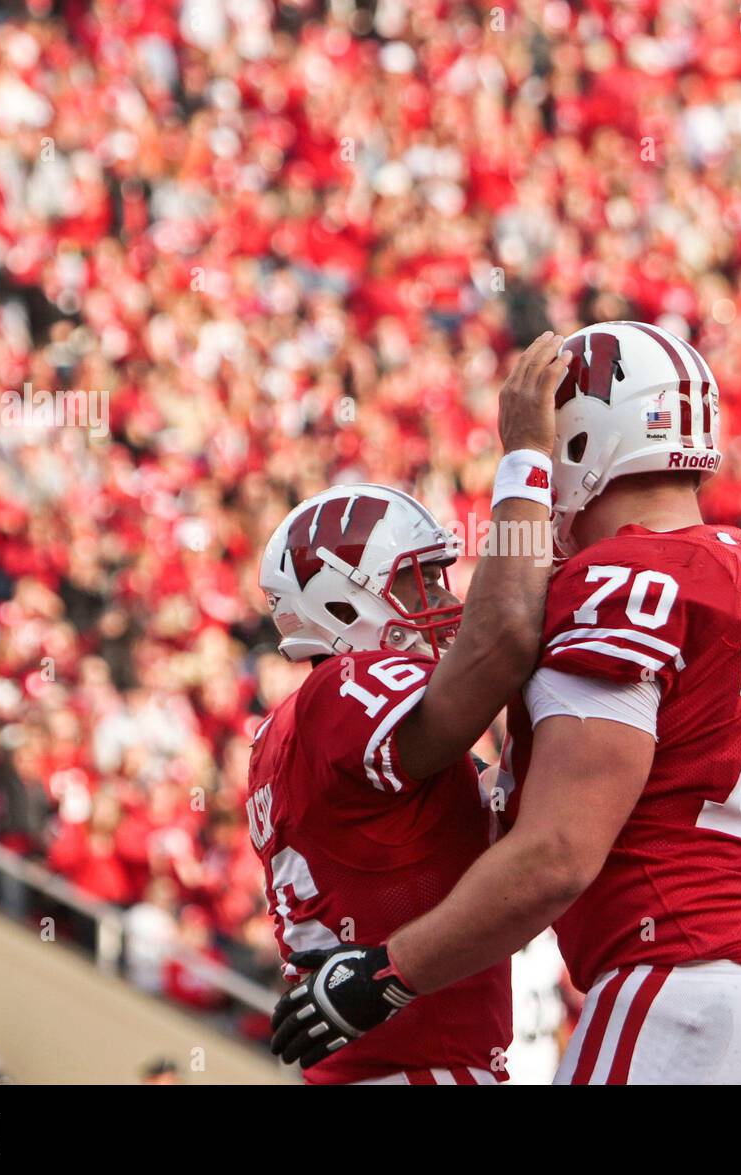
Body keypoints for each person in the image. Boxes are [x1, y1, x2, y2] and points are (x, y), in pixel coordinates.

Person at [274, 321, 741, 1084]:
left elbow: (557, 854)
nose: (443, 598)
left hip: (684, 985)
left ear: (577, 444)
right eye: (423, 582)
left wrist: (387, 971)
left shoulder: (619, 582)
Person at [251, 333, 567, 1083]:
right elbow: (497, 649)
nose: (441, 602)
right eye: (419, 583)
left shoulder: (305, 725)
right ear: (339, 600)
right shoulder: (338, 693)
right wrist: (525, 459)